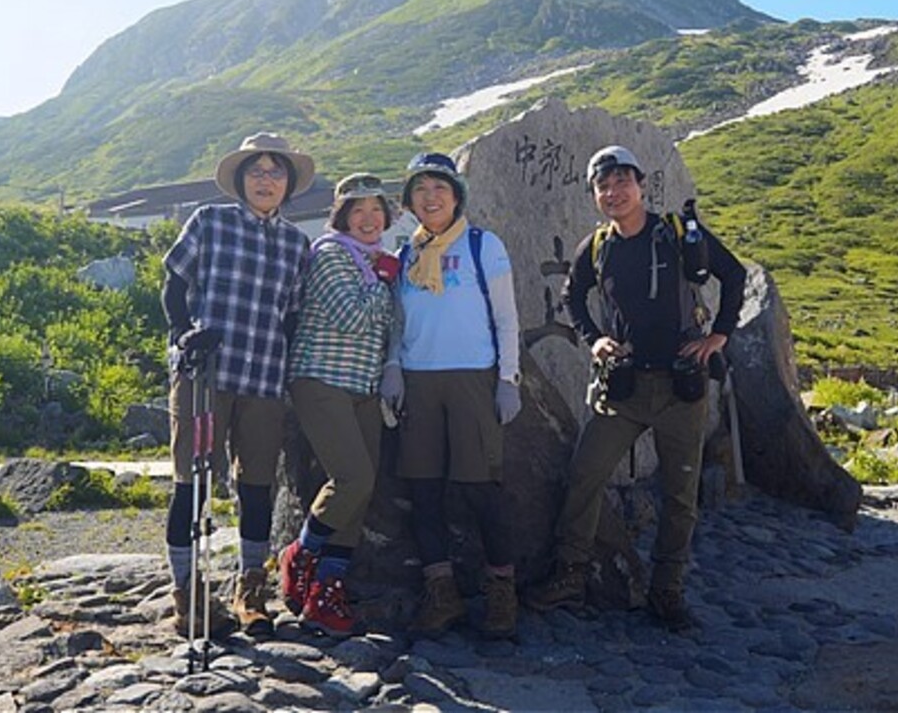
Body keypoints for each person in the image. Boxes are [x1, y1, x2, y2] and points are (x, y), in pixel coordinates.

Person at [527, 145, 747, 631]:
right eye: (603, 185)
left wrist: (719, 335)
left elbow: (734, 275)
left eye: (622, 181)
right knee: (585, 473)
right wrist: (594, 339)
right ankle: (571, 573)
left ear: (641, 185)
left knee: (680, 494)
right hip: (621, 388)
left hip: (680, 386)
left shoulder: (675, 233)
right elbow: (571, 296)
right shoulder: (599, 245)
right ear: (594, 195)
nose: (613, 192)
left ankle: (666, 591)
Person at [161, 131, 315, 639]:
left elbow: (291, 316)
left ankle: (251, 593)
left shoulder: (297, 244)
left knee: (257, 488)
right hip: (205, 376)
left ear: (288, 184)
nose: (266, 180)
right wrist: (184, 334)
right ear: (241, 180)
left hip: (263, 377)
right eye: (257, 171)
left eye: (276, 172)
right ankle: (188, 596)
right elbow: (175, 285)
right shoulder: (210, 221)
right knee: (191, 484)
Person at [380, 152, 523, 639]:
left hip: (472, 379)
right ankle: (442, 593)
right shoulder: (405, 256)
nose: (431, 197)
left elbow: (506, 317)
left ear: (456, 195)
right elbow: (398, 324)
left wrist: (509, 380)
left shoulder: (485, 246)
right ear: (409, 201)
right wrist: (393, 368)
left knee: (481, 489)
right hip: (419, 380)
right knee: (424, 492)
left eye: (440, 187)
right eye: (420, 189)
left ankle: (503, 591)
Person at [276, 173, 401, 638]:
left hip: (363, 386)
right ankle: (301, 554)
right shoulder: (330, 254)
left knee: (360, 491)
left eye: (375, 210)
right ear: (342, 218)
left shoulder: (375, 259)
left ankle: (325, 592)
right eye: (357, 211)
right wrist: (383, 281)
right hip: (322, 380)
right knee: (354, 478)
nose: (368, 219)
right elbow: (352, 318)